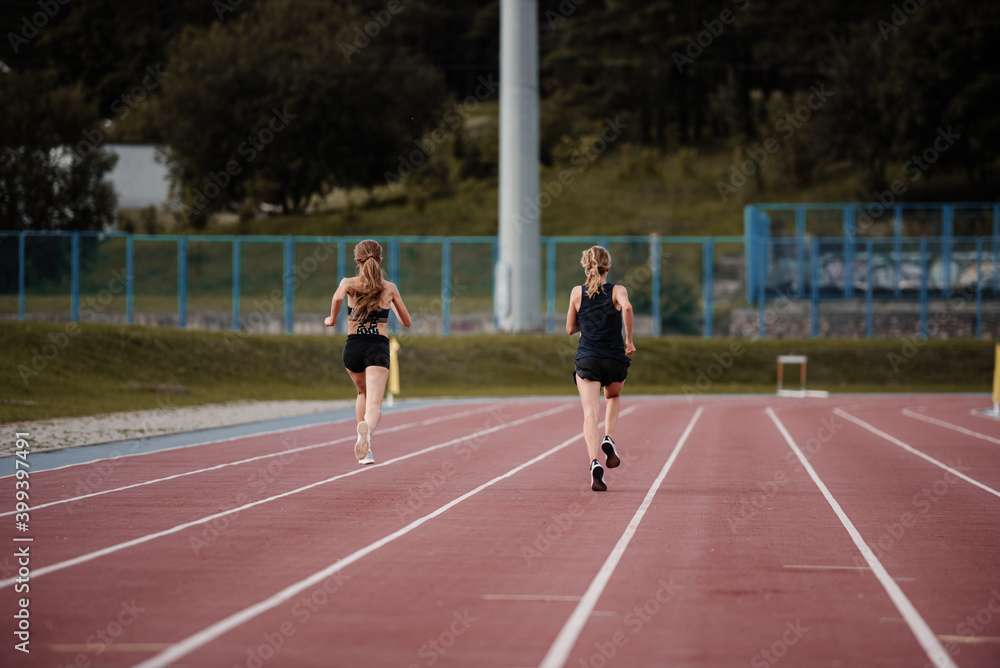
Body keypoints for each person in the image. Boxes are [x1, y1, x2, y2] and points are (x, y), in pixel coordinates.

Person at [325, 240, 411, 464]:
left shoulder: (349, 283)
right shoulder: (389, 288)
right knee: (374, 406)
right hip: (377, 348)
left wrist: (331, 319)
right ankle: (366, 431)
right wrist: (390, 302)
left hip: (353, 347)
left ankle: (366, 450)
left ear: (358, 261)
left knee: (362, 394)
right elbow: (407, 322)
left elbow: (336, 298)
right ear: (380, 260)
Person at [566, 246, 635, 491]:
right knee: (613, 396)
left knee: (589, 414)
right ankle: (609, 437)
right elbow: (626, 308)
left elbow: (570, 329)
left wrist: (587, 324)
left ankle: (594, 462)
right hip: (614, 359)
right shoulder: (618, 290)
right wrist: (629, 340)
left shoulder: (577, 293)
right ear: (609, 267)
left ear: (586, 267)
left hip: (588, 361)